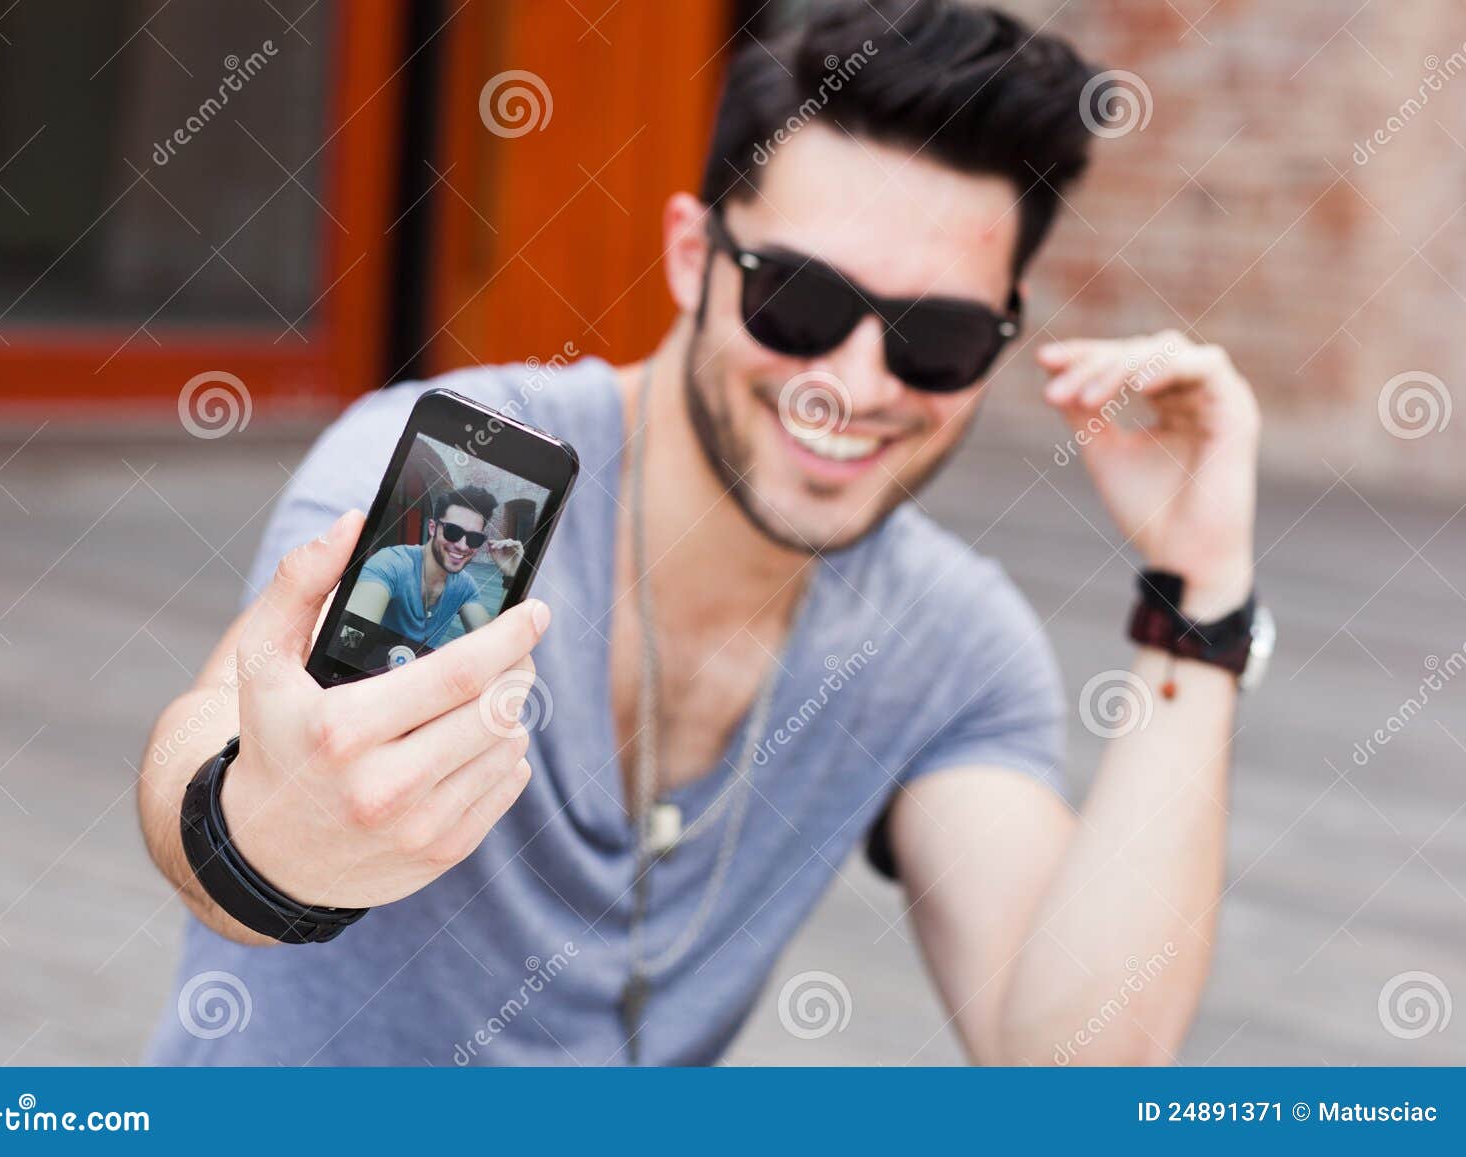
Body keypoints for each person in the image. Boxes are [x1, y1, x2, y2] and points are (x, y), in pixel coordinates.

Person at [139, 0, 1266, 1066]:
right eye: (801, 302)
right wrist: (265, 835)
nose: (853, 382)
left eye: (938, 336)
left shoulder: (945, 637)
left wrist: (1198, 593)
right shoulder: (462, 464)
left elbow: (1074, 1070)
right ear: (692, 257)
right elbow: (211, 758)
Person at [347, 486, 525, 649]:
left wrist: (512, 578)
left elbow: (493, 644)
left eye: (474, 539)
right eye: (452, 532)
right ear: (433, 528)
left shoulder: (465, 586)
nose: (462, 546)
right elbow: (349, 638)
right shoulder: (390, 563)